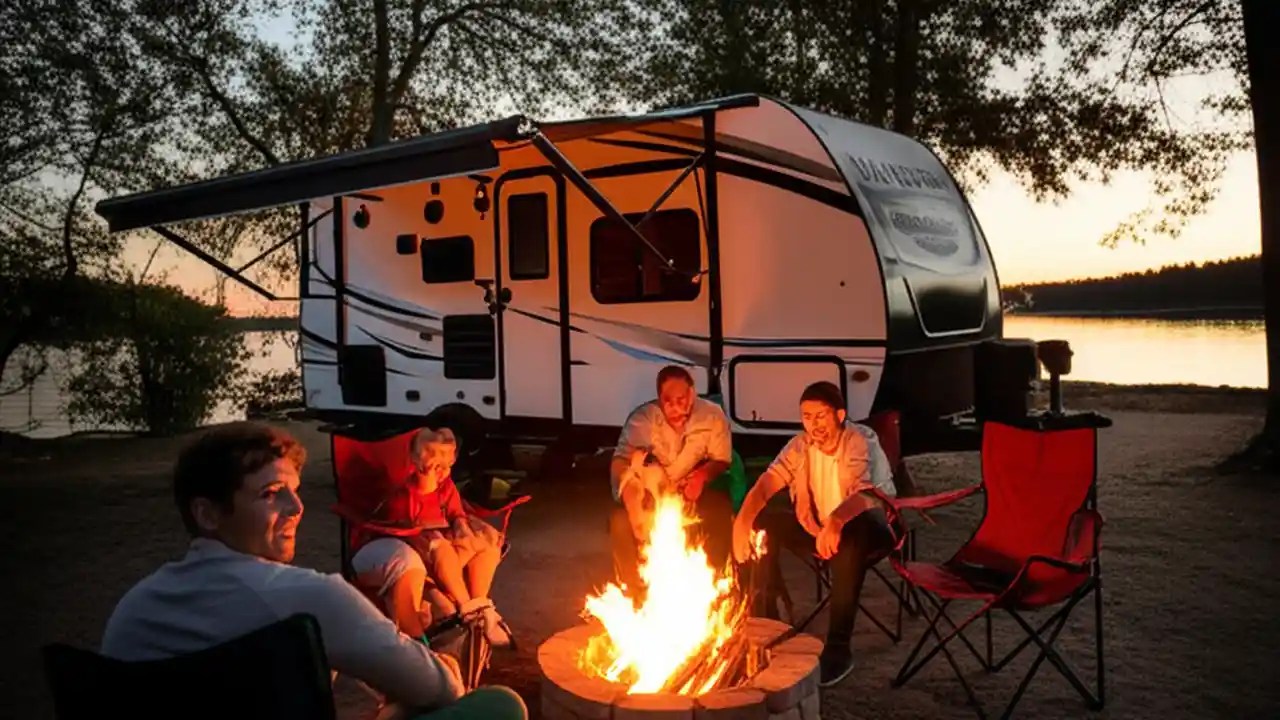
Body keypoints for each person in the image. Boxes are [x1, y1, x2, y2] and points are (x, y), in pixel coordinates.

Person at [100, 422, 526, 720]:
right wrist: (439, 677)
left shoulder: (135, 610)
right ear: (207, 514)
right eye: (271, 494)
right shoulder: (308, 599)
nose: (297, 508)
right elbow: (439, 688)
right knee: (500, 706)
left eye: (295, 491)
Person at [730, 381, 897, 688]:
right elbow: (768, 483)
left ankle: (838, 649)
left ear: (840, 414)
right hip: (821, 528)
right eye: (807, 416)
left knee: (851, 538)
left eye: (821, 415)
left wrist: (836, 521)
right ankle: (768, 621)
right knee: (764, 521)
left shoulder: (860, 440)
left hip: (870, 524)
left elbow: (866, 494)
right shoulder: (801, 445)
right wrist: (743, 522)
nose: (814, 424)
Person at [351, 427, 511, 648]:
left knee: (487, 544)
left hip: (445, 551)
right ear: (417, 462)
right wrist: (426, 489)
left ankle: (479, 605)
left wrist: (461, 524)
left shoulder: (445, 485)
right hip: (417, 546)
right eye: (434, 467)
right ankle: (467, 606)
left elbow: (456, 511)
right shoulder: (405, 490)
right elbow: (405, 521)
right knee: (440, 545)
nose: (441, 473)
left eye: (446, 467)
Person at [609, 365, 735, 597]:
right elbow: (621, 462)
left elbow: (722, 460)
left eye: (682, 399)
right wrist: (634, 505)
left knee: (719, 510)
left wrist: (702, 476)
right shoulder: (643, 419)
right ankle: (636, 595)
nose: (676, 406)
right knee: (619, 523)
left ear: (693, 393)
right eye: (669, 401)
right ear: (659, 398)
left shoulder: (712, 415)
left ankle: (714, 590)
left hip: (689, 491)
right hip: (651, 495)